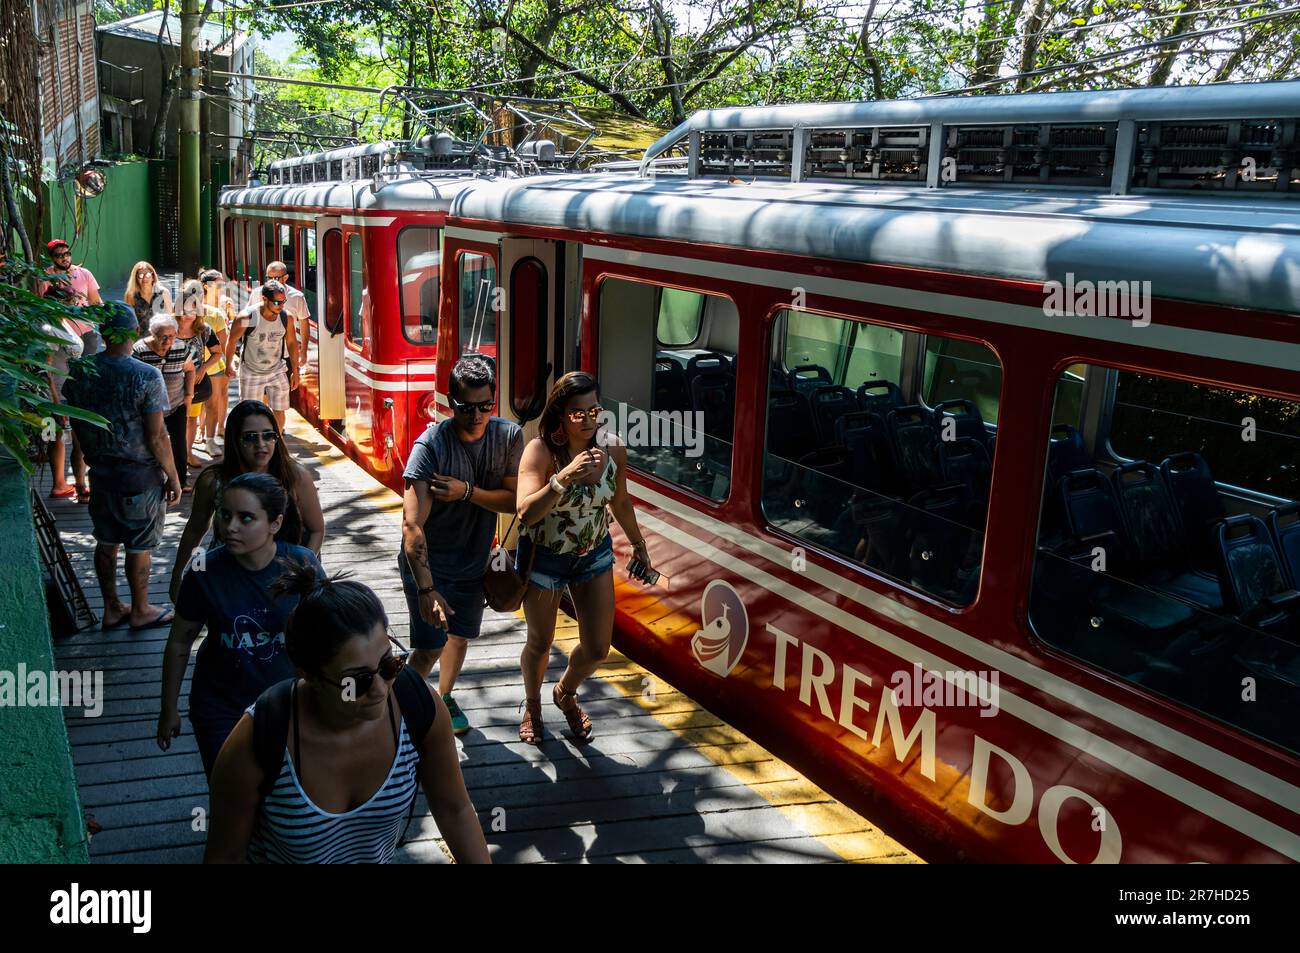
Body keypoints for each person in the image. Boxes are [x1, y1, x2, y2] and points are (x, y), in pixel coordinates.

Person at [202, 563, 491, 864]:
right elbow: (225, 856)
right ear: (308, 675)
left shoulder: (415, 704)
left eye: (388, 665)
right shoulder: (260, 737)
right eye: (358, 681)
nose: (380, 689)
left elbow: (455, 810)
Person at [513, 371, 652, 744]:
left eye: (595, 410)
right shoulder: (541, 452)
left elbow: (620, 501)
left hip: (593, 556)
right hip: (546, 560)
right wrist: (564, 478)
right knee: (540, 643)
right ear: (561, 414)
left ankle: (565, 692)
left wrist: (639, 545)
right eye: (579, 413)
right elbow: (526, 512)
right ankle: (532, 705)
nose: (589, 420)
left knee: (596, 648)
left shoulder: (613, 448)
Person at [157, 472, 324, 778]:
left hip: (290, 704)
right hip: (221, 707)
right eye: (224, 514)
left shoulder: (303, 564)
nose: (229, 527)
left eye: (246, 518)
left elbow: (327, 635)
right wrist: (168, 709)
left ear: (275, 523)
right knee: (228, 792)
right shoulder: (203, 570)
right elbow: (181, 641)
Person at [399, 357, 522, 735]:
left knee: (460, 635)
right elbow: (412, 525)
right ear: (451, 402)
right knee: (429, 647)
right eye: (466, 407)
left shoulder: (509, 437)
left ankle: (445, 695)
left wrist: (466, 492)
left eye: (485, 405)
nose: (477, 414)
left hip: (473, 561)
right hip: (430, 565)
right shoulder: (431, 446)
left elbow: (514, 500)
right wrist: (427, 588)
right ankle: (395, 709)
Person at [60, 301, 181, 630]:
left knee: (106, 540)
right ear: (135, 332)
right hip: (138, 477)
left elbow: (77, 426)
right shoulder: (146, 375)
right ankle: (141, 609)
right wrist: (173, 476)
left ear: (101, 332)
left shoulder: (81, 371)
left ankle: (112, 607)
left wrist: (84, 470)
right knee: (139, 545)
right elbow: (157, 437)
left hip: (101, 475)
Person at [169, 399, 325, 603]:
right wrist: (180, 573)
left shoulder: (295, 476)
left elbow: (316, 530)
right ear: (235, 440)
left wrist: (301, 570)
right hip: (230, 572)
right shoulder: (213, 481)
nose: (261, 444)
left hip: (286, 575)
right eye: (250, 437)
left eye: (269, 436)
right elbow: (195, 530)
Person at [226, 279, 298, 430]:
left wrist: (295, 372)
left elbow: (292, 343)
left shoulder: (287, 318)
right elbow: (231, 341)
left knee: (280, 410)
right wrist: (229, 365)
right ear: (264, 299)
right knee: (249, 412)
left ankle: (277, 442)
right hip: (251, 371)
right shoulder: (247, 318)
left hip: (277, 370)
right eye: (277, 302)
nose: (281, 306)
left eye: (283, 302)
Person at [133, 314, 195, 487]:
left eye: (172, 336)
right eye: (163, 337)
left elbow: (190, 370)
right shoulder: (139, 350)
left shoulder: (181, 348)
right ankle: (153, 479)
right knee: (150, 442)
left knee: (179, 444)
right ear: (152, 334)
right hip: (149, 408)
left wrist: (188, 396)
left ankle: (180, 481)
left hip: (176, 404)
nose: (168, 341)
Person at [176, 279, 226, 470]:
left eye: (193, 309)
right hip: (171, 382)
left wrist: (203, 368)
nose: (188, 314)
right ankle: (175, 456)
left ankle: (187, 454)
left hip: (194, 383)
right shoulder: (169, 327)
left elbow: (218, 351)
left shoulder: (204, 330)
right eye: (185, 308)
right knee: (174, 420)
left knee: (191, 419)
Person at [240, 260, 310, 369]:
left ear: (285, 278)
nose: (272, 281)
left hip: (285, 355)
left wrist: (304, 352)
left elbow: (304, 324)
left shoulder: (297, 297)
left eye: (276, 278)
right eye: (269, 278)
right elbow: (247, 322)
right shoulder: (256, 293)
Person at [199, 269, 236, 457]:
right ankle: (202, 429)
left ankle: (219, 428)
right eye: (218, 284)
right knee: (203, 397)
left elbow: (228, 334)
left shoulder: (224, 304)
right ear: (206, 286)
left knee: (221, 394)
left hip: (218, 358)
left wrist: (230, 361)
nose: (222, 287)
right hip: (206, 358)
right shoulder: (201, 306)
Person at [38, 238, 102, 306]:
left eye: (67, 254)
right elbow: (43, 306)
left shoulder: (85, 273)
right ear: (52, 258)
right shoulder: (45, 278)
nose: (65, 258)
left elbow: (96, 302)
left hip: (82, 315)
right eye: (59, 256)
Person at [124, 260, 173, 331]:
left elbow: (169, 318)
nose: (144, 278)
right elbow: (129, 320)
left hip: (160, 337)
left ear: (153, 277)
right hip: (140, 338)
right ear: (136, 278)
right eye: (140, 276)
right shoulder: (130, 295)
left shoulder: (164, 293)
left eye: (148, 275)